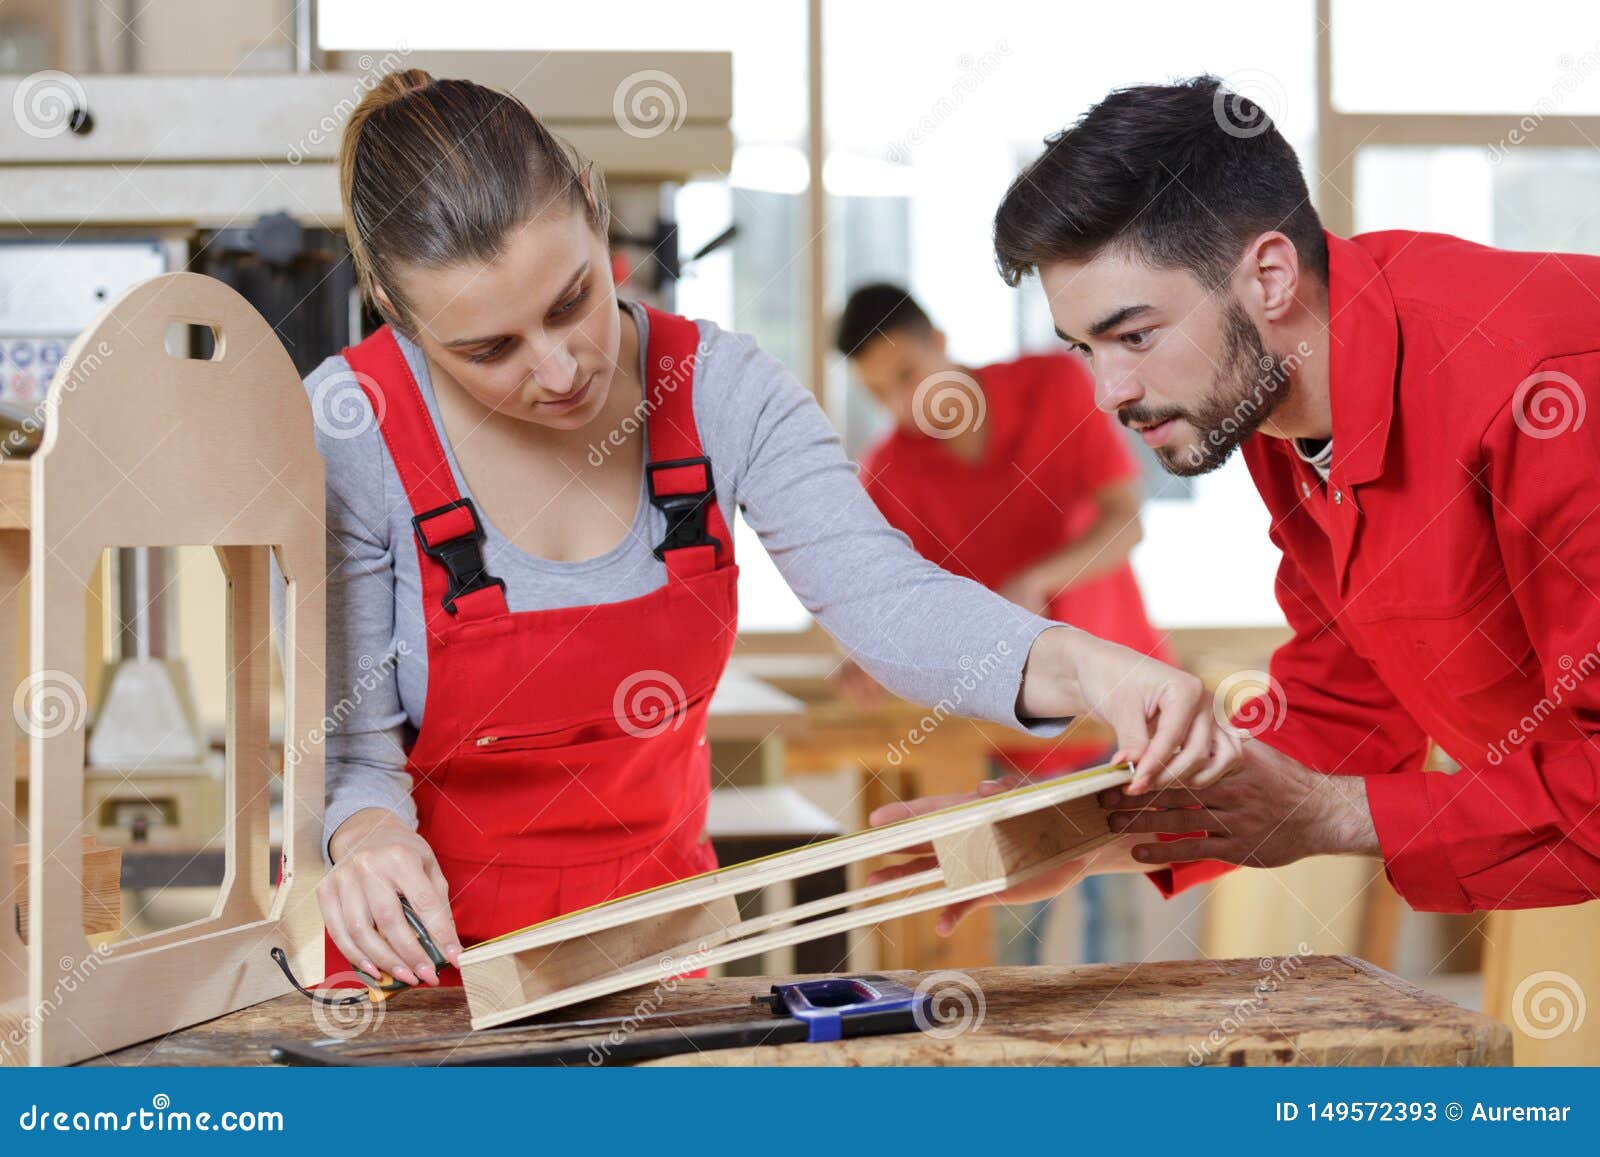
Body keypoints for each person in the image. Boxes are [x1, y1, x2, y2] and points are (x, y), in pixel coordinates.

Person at [296, 69, 1239, 990]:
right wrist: (368, 835)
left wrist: (1092, 667)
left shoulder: (720, 392)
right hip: (418, 973)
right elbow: (353, 755)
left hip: (657, 968)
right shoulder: (352, 429)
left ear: (593, 205)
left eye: (572, 300)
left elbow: (890, 604)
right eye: (488, 349)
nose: (556, 369)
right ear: (396, 312)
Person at [878, 73, 1600, 931]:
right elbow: (1344, 706)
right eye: (1085, 348)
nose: (1108, 391)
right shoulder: (1277, 407)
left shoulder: (1549, 388)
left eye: (1135, 335)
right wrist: (1078, 832)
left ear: (1268, 276)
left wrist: (1334, 814)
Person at [836, 284, 1174, 962]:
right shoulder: (888, 472)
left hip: (1114, 702)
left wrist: (1036, 577)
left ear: (939, 341)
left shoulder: (1052, 383)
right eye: (880, 393)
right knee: (1015, 934)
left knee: (1119, 935)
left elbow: (1125, 520)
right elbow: (893, 595)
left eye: (905, 374)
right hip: (1001, 727)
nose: (902, 404)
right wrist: (865, 645)